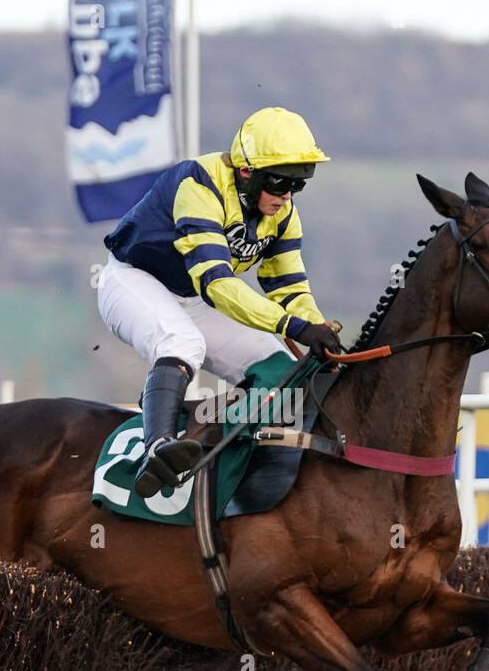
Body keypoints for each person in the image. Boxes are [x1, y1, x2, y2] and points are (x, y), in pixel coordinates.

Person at [99, 106, 342, 497]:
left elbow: (290, 288)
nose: (288, 196)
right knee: (181, 344)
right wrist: (293, 326)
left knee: (282, 369)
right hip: (132, 280)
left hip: (190, 298)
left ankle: (236, 446)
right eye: (280, 183)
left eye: (300, 184)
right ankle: (156, 449)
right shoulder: (198, 184)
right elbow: (218, 284)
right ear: (247, 172)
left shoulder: (282, 212)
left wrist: (319, 331)